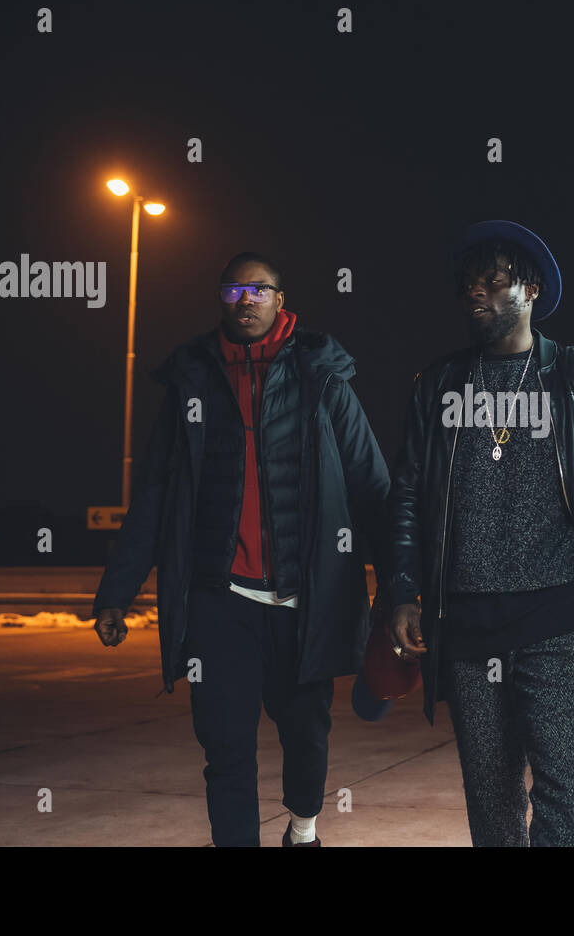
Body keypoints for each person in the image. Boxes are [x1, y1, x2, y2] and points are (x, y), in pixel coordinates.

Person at [91, 252, 390, 847]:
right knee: (225, 745)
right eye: (233, 291)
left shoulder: (321, 377)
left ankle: (303, 828)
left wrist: (401, 589)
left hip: (306, 600)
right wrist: (116, 592)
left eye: (259, 290)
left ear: (282, 301)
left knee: (306, 736)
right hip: (219, 600)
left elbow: (371, 487)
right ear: (221, 301)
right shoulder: (192, 382)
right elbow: (153, 494)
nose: (246, 300)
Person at [385, 220, 574, 846]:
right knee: (492, 804)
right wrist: (402, 590)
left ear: (529, 290)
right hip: (470, 625)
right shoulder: (441, 384)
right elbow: (408, 495)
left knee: (570, 799)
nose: (477, 295)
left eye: (492, 283)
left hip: (563, 619)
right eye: (469, 286)